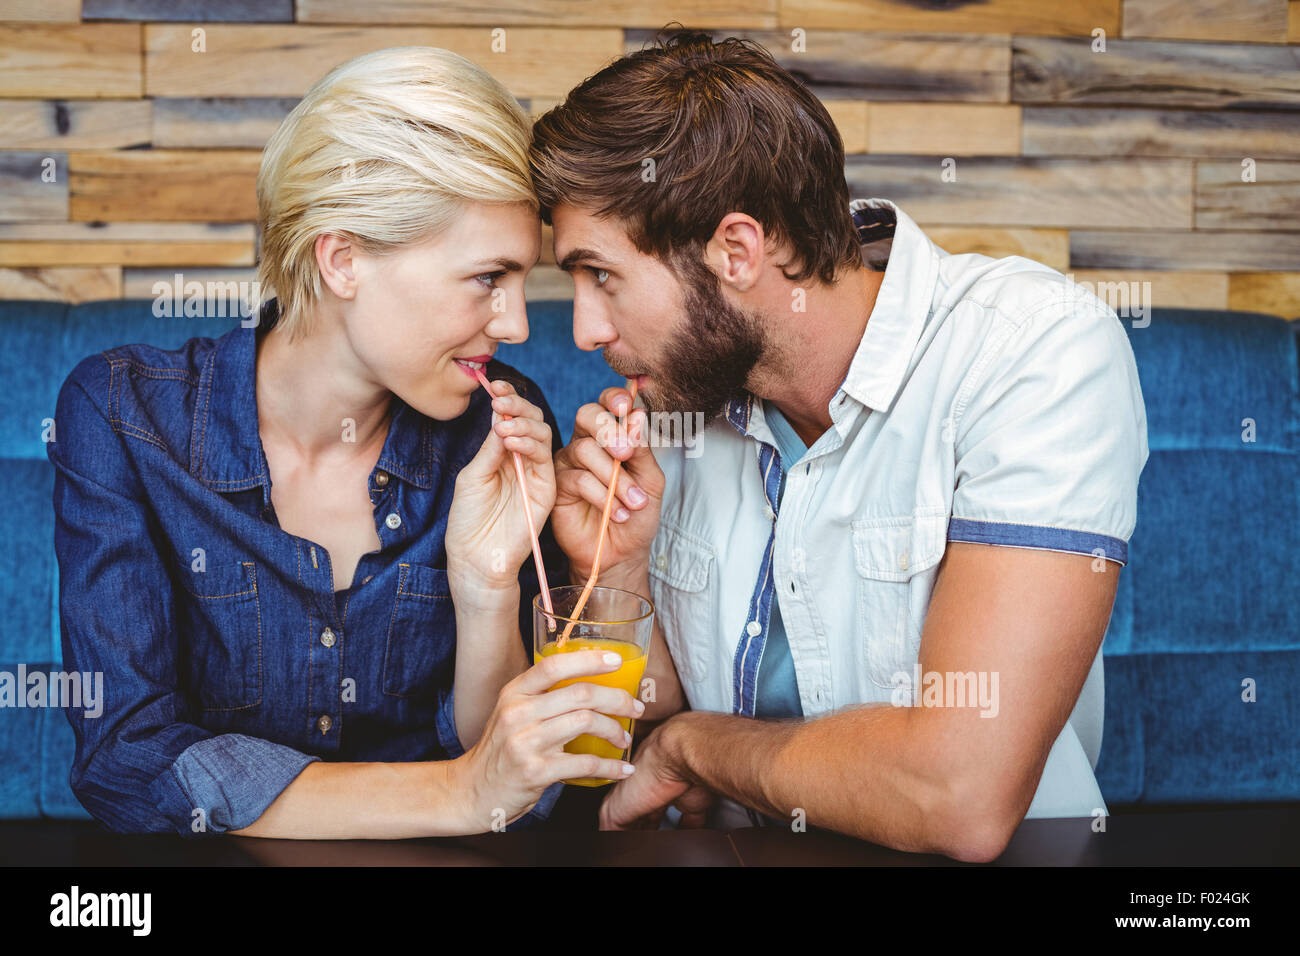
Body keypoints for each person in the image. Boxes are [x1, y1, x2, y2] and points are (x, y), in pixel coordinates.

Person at [535, 31, 1149, 861]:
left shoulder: (1034, 349)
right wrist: (615, 570)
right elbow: (645, 713)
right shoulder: (687, 393)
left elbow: (957, 795)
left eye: (600, 276)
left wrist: (694, 746)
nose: (582, 330)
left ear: (738, 251)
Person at [47, 46, 639, 839]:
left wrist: (487, 588)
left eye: (521, 283)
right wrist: (458, 793)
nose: (518, 326)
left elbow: (518, 787)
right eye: (486, 279)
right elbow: (127, 761)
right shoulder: (123, 418)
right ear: (344, 258)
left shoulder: (494, 424)